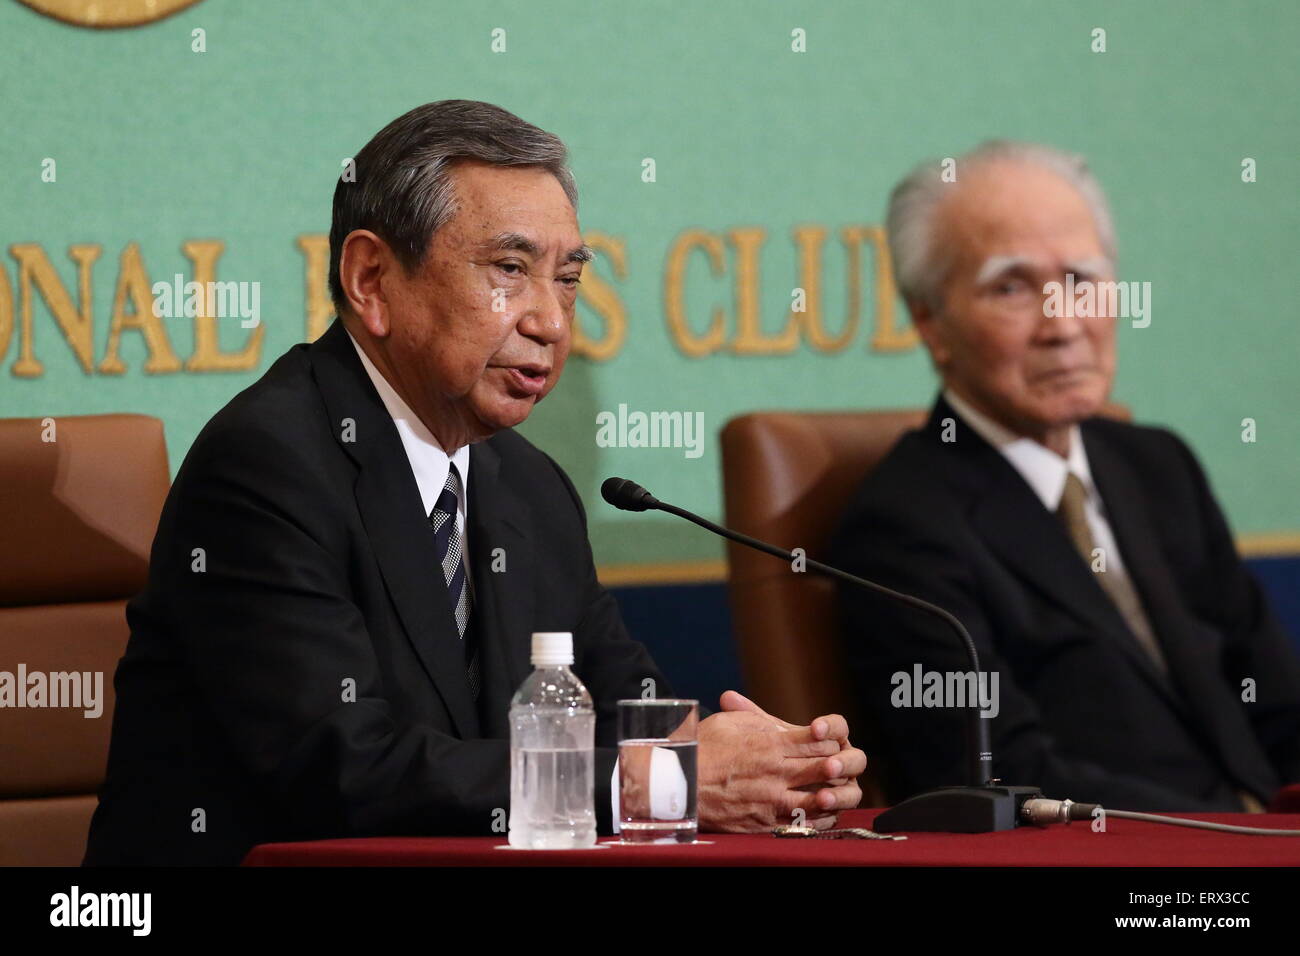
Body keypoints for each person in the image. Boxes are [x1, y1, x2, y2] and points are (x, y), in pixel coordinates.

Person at [84, 100, 864, 865]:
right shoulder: (266, 467)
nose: (552, 322)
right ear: (372, 280)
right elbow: (343, 772)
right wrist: (658, 783)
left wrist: (765, 761)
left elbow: (626, 709)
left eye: (567, 279)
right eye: (510, 269)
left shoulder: (528, 487)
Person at [830, 141, 1300, 812]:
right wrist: (1226, 832)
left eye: (1081, 278)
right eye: (1012, 287)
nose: (1064, 323)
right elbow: (1004, 776)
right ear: (930, 322)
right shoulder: (902, 527)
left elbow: (1279, 702)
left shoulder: (1160, 466)